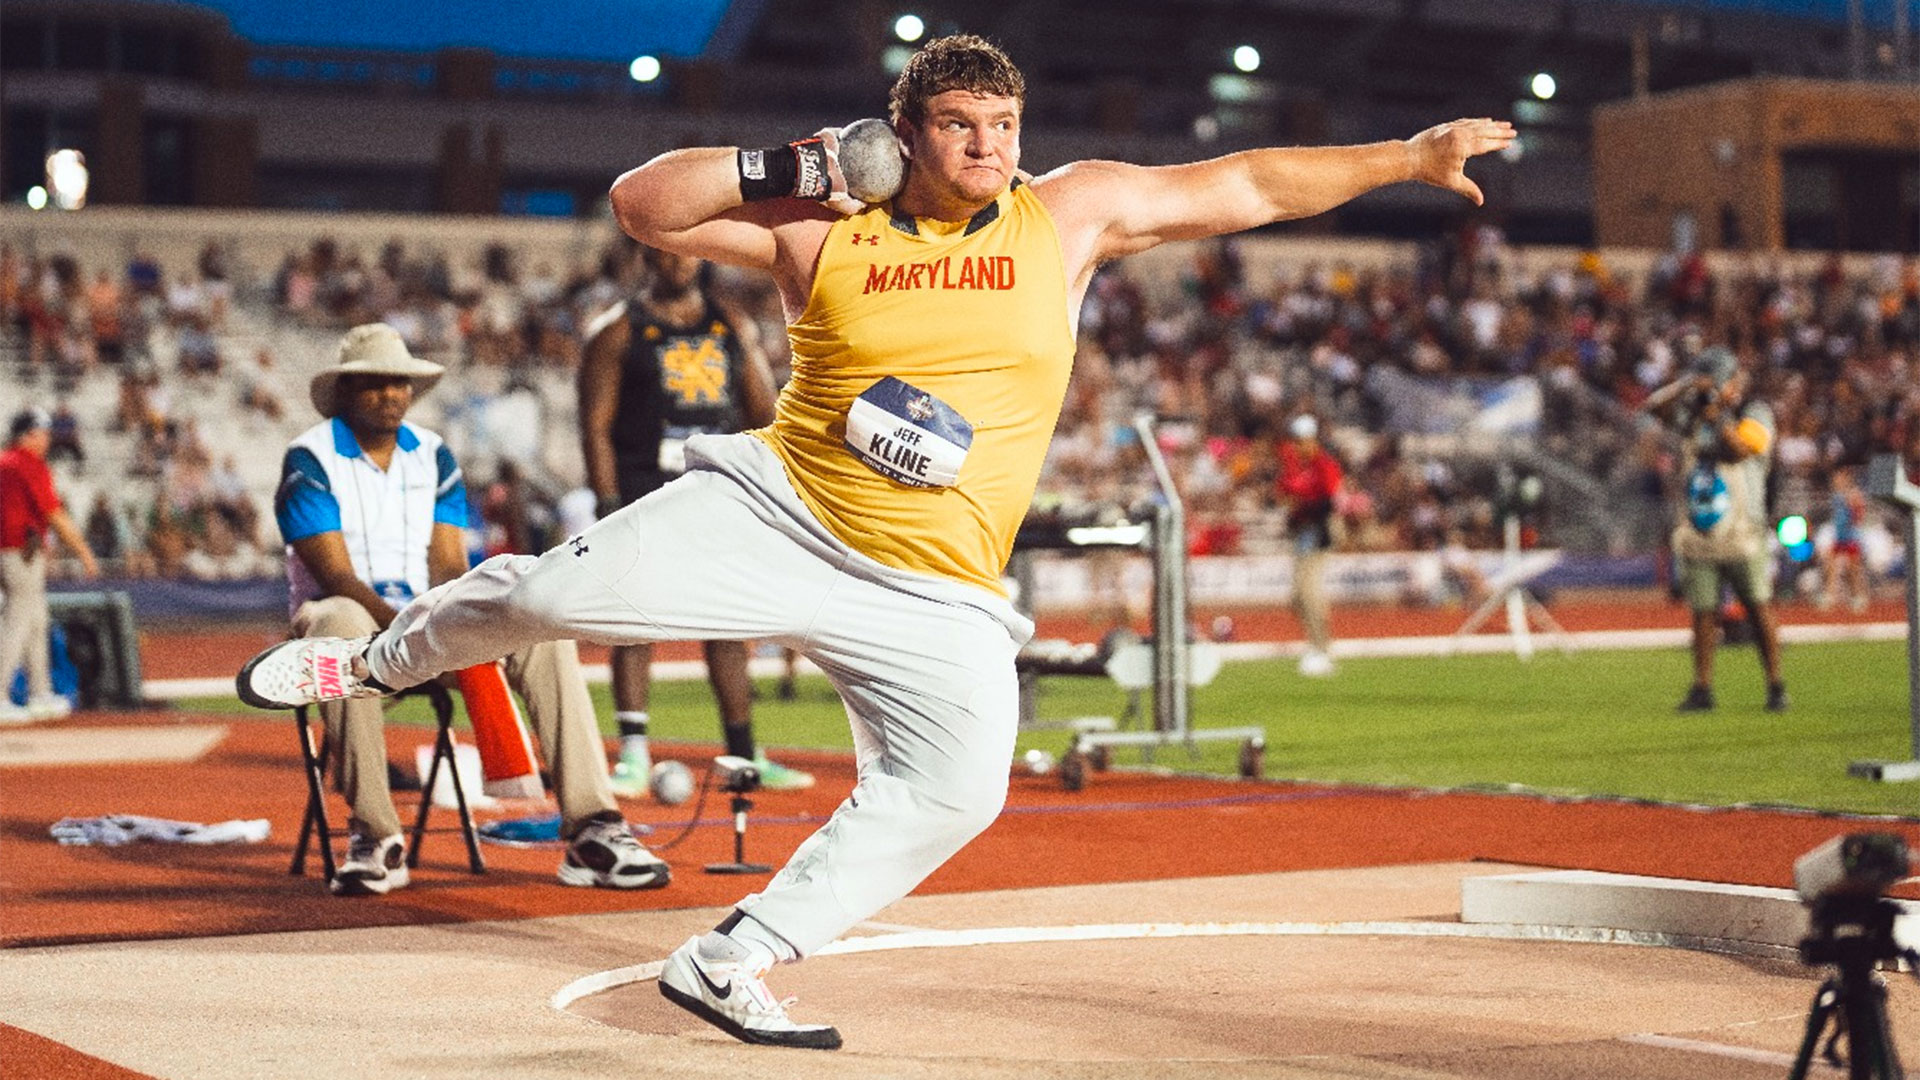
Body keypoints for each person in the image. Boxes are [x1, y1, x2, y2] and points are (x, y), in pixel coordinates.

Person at [237, 34, 1512, 1048]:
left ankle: (734, 955)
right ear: (903, 134)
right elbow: (644, 204)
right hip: (779, 510)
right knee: (552, 601)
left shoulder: (1064, 215)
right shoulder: (829, 224)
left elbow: (1243, 185)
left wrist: (1406, 154)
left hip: (937, 581)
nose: (986, 148)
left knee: (960, 787)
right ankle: (380, 662)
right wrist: (801, 168)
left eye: (1002, 126)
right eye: (959, 126)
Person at [266, 323, 665, 896]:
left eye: (399, 383)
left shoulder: (432, 455)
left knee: (539, 626)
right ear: (347, 392)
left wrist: (457, 623)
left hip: (420, 626)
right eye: (375, 384)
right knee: (338, 624)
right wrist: (410, 632)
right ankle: (375, 836)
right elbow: (335, 575)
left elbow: (449, 569)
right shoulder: (310, 460)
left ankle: (594, 829)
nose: (391, 394)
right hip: (348, 627)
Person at [578, 244, 814, 794]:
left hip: (717, 488)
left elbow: (765, 409)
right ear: (643, 258)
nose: (679, 263)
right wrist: (607, 500)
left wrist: (771, 482)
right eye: (666, 254)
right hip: (643, 488)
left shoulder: (729, 323)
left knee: (729, 621)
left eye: (688, 253)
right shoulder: (617, 331)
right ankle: (633, 754)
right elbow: (595, 424)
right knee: (635, 617)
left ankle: (743, 753)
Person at [1651, 346, 1787, 713]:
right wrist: (1687, 386)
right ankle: (1702, 687)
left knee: (1757, 607)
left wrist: (1718, 412)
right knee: (1703, 612)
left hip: (1744, 529)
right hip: (1702, 529)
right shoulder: (1693, 415)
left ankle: (1776, 684)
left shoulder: (1754, 412)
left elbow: (1743, 448)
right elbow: (1653, 408)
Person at [0, 408, 100, 724]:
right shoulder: (27, 464)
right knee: (17, 622)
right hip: (21, 552)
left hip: (10, 551)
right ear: (28, 434)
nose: (47, 440)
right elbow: (54, 513)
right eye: (42, 433)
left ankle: (39, 692)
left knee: (37, 621)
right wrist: (83, 550)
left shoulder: (4, 463)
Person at [1275, 413, 1342, 676]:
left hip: (1318, 533)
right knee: (1297, 596)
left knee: (1310, 594)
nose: (1299, 446)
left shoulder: (1324, 465)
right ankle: (1315, 645)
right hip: (1302, 535)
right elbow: (1284, 496)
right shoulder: (1296, 468)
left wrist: (1300, 511)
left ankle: (1322, 649)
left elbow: (1327, 503)